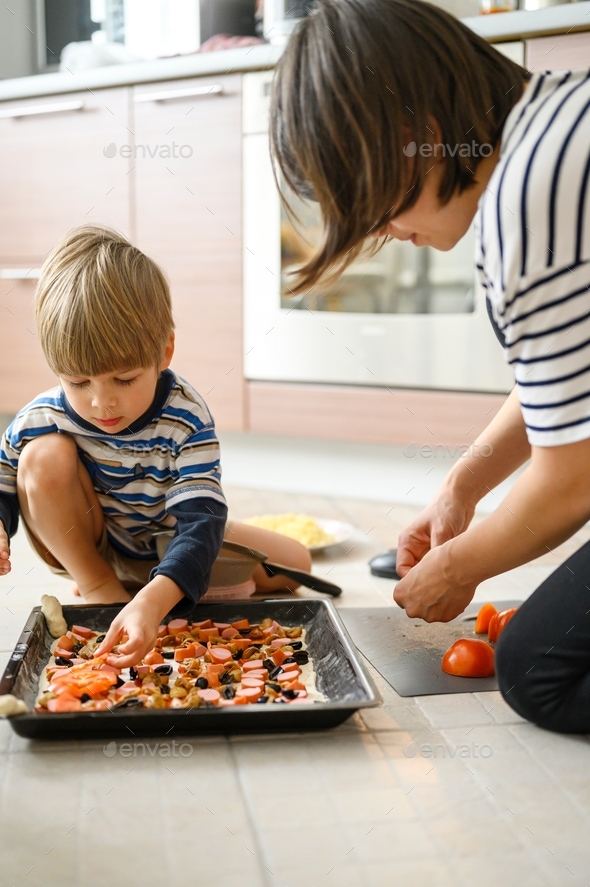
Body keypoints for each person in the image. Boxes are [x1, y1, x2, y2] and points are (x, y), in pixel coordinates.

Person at [270, 0, 590, 733]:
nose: (382, 231)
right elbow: (569, 384)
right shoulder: (557, 123)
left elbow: (573, 475)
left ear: (421, 136)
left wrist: (461, 565)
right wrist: (462, 486)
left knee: (538, 668)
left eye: (369, 198)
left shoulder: (525, 200)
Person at [0, 226, 311, 667]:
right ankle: (99, 585)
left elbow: (201, 520)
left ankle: (161, 584)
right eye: (78, 382)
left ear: (164, 352)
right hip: (95, 543)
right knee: (41, 456)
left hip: (171, 538)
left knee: (295, 564)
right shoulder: (42, 415)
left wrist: (157, 596)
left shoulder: (187, 417)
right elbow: (4, 479)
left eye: (124, 379)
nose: (101, 401)